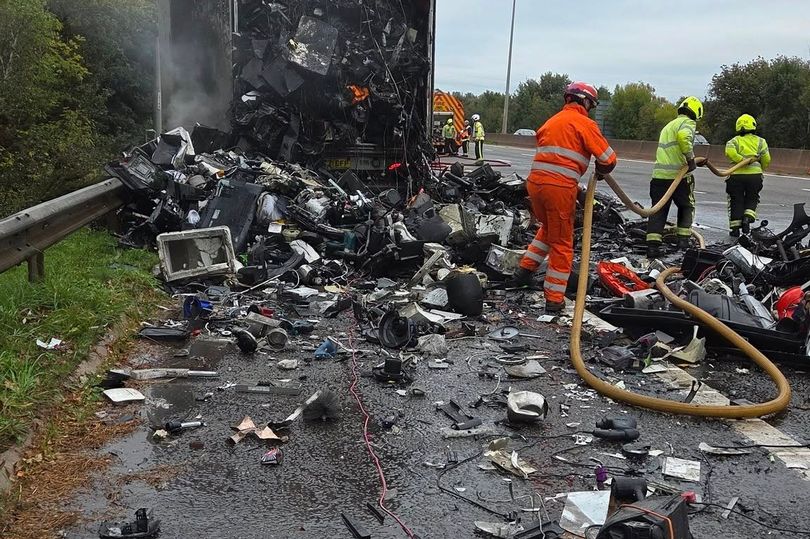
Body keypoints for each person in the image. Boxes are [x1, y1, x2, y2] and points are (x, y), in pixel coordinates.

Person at [511, 82, 617, 312]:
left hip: (535, 185)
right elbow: (609, 160)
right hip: (557, 189)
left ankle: (524, 271)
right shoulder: (584, 123)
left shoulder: (552, 120)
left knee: (549, 229)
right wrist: (600, 171)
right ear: (586, 101)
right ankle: (554, 298)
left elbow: (554, 159)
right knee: (562, 242)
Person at [645, 96, 703, 259]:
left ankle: (653, 247)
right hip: (679, 176)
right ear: (696, 111)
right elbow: (684, 138)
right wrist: (691, 160)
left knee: (657, 210)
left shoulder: (668, 125)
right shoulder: (688, 123)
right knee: (687, 206)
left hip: (659, 177)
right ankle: (683, 242)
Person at [725, 114, 771, 236]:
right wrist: (761, 168)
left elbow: (729, 152)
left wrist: (740, 160)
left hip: (736, 176)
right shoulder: (761, 142)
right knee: (753, 197)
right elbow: (766, 158)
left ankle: (735, 229)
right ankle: (747, 218)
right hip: (754, 177)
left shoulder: (733, 141)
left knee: (736, 200)